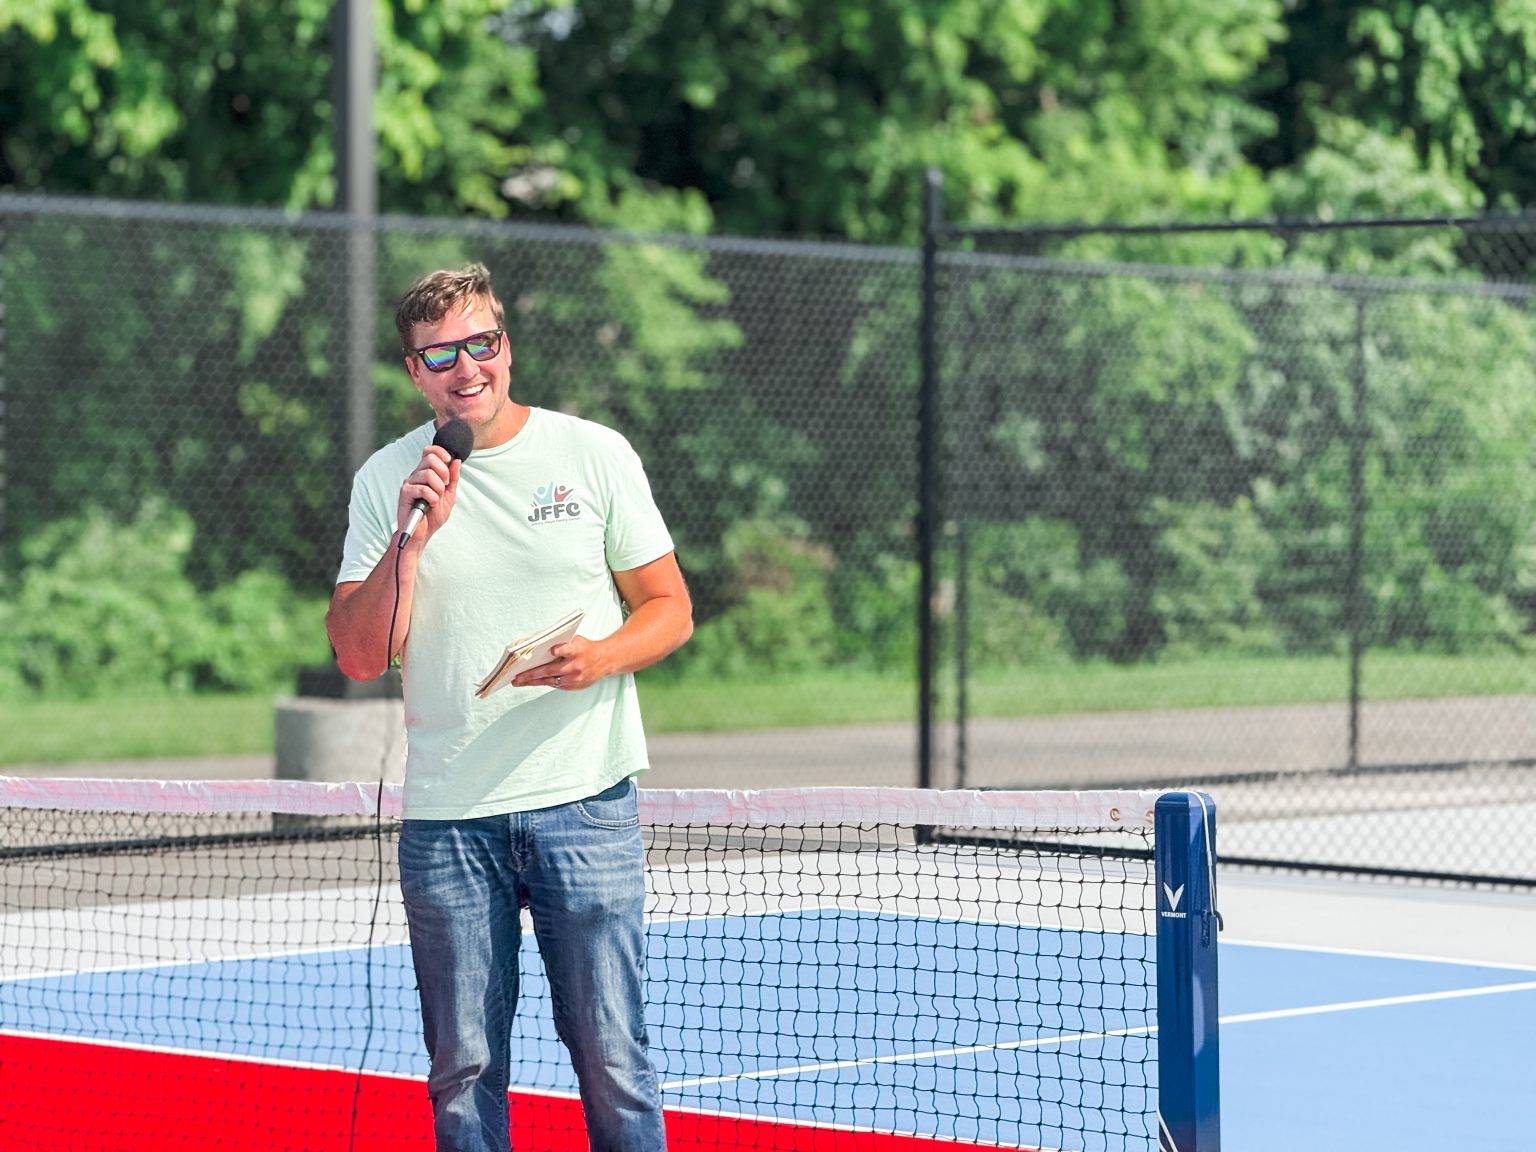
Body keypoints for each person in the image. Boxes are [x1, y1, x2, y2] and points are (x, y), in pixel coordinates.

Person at [326, 263, 691, 1152]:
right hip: (451, 824)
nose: (466, 369)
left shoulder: (593, 453)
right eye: (439, 354)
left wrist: (599, 656)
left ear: (506, 348)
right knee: (464, 1075)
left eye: (479, 344)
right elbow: (359, 652)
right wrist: (413, 539)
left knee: (613, 1062)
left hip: (585, 808)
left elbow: (671, 609)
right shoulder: (389, 483)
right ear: (415, 373)